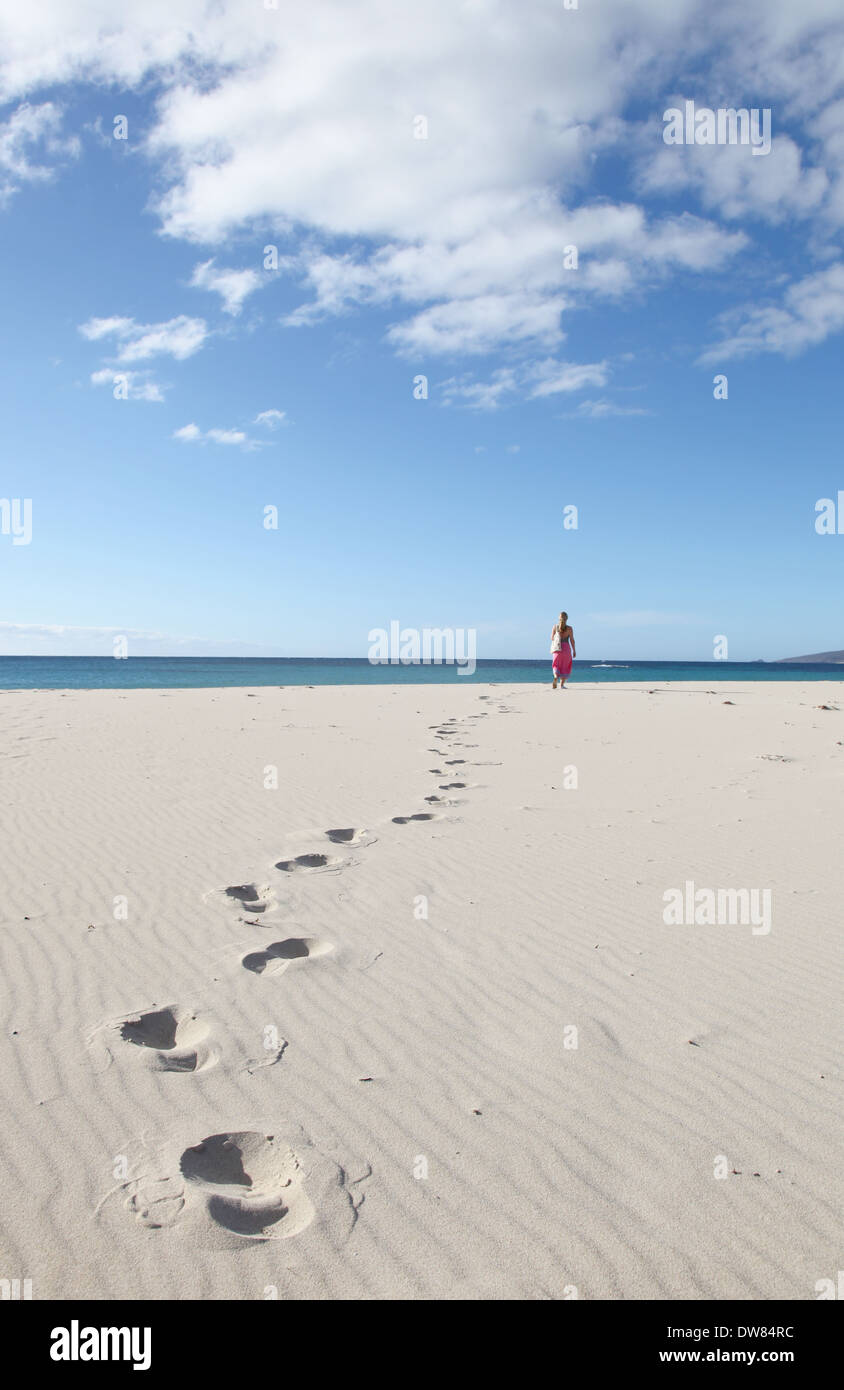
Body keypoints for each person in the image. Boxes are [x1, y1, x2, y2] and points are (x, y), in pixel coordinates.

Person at [550, 611, 575, 689]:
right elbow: (572, 640)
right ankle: (562, 685)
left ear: (559, 618)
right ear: (566, 619)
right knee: (565, 666)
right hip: (566, 649)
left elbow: (551, 638)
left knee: (556, 665)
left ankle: (555, 676)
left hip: (557, 649)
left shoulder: (555, 627)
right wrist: (574, 650)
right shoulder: (569, 628)